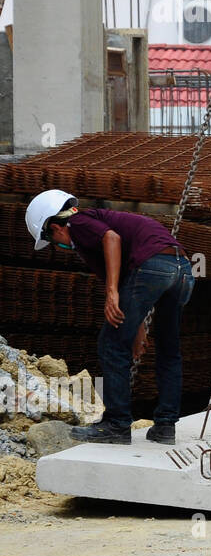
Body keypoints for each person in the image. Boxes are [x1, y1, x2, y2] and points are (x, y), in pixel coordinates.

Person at [24, 190, 194, 445]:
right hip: (181, 269)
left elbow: (111, 239)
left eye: (52, 238)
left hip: (152, 266)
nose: (58, 246)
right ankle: (165, 427)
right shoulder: (96, 235)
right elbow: (130, 290)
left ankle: (116, 424)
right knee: (169, 349)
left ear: (56, 225)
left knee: (111, 345)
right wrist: (136, 329)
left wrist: (111, 292)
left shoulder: (78, 223)